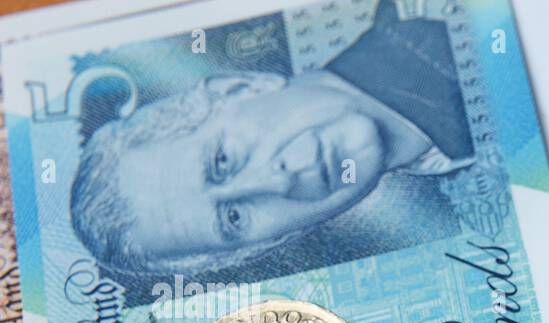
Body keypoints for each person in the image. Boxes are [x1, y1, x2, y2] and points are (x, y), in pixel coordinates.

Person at [70, 0, 474, 276]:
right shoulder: (457, 176)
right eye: (234, 218)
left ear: (241, 86)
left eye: (221, 161)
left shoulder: (439, 21)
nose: (276, 182)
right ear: (271, 243)